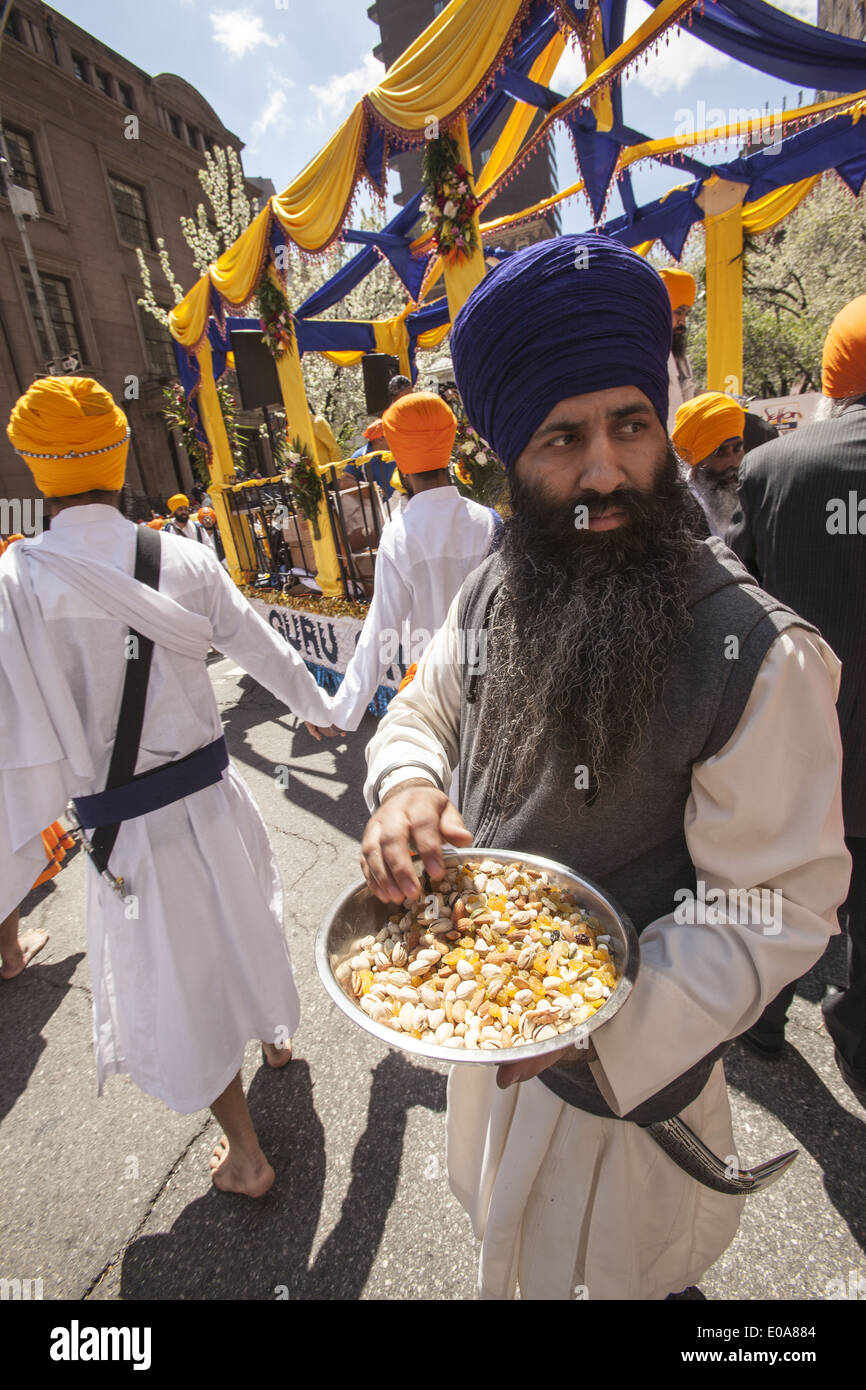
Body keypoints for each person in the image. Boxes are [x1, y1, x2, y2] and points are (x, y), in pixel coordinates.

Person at [359, 235, 849, 1300]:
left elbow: (777, 906)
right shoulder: (496, 586)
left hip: (635, 1091)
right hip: (491, 1043)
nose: (602, 469)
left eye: (630, 425)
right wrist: (403, 783)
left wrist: (596, 1023)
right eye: (560, 437)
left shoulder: (757, 658)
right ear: (504, 457)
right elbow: (427, 704)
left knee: (641, 1276)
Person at [1, 376, 339, 1197]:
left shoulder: (21, 583)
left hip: (130, 836)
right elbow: (259, 644)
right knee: (247, 917)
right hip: (215, 798)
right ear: (119, 457)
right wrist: (319, 706)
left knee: (185, 974)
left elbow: (15, 730)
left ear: (38, 469)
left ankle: (248, 1160)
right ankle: (276, 1040)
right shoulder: (182, 555)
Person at [728, 294, 866, 1108]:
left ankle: (763, 1019)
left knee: (778, 899)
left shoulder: (776, 466)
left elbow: (742, 606)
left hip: (805, 756)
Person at [329, 392, 499, 734]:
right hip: (492, 686)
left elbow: (382, 632)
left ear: (401, 466)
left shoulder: (398, 535)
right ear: (448, 451)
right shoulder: (488, 523)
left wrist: (342, 712)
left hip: (430, 694)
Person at [672, 392, 745, 538]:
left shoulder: (750, 495)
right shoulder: (675, 510)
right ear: (696, 458)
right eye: (720, 452)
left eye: (737, 449)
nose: (734, 461)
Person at [659, 267, 696, 430]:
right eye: (679, 312)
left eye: (686, 313)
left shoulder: (677, 353)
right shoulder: (645, 350)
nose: (683, 321)